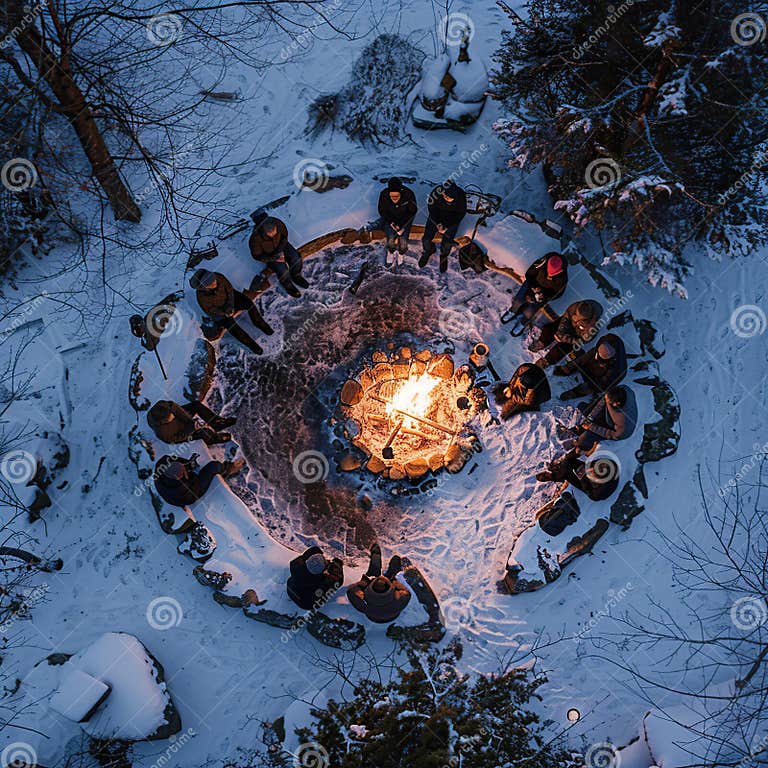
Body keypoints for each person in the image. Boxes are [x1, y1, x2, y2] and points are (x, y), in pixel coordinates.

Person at [191, 269, 273, 356]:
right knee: (233, 328)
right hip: (219, 312)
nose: (215, 282)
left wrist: (230, 306)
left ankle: (261, 325)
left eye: (214, 280)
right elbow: (211, 310)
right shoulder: (202, 296)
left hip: (230, 299)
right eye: (212, 283)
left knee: (248, 303)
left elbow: (229, 289)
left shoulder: (218, 277)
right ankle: (253, 346)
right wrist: (225, 312)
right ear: (206, 287)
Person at [504, 252, 568, 335]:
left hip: (542, 295)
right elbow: (529, 273)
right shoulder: (543, 261)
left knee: (530, 311)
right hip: (532, 284)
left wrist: (542, 296)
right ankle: (512, 311)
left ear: (559, 271)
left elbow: (557, 294)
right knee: (518, 300)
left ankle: (523, 322)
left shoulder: (562, 279)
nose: (549, 275)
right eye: (548, 272)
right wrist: (533, 287)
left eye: (552, 275)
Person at [346, 543, 411, 623]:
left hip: (374, 614)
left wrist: (364, 582)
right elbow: (407, 593)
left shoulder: (364, 605)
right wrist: (394, 581)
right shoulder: (399, 600)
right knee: (390, 571)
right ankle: (391, 572)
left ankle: (380, 563)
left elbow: (351, 591)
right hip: (391, 612)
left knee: (375, 573)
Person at [554, 333, 627, 401]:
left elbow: (598, 385)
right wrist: (566, 368)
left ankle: (588, 390)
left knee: (595, 386)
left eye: (601, 362)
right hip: (600, 359)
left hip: (603, 380)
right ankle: (571, 371)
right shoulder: (603, 344)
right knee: (582, 358)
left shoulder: (616, 370)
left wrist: (575, 392)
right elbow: (583, 358)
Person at [248, 216, 308, 298]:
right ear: (264, 231)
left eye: (275, 233)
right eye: (270, 234)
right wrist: (274, 258)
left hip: (281, 245)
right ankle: (287, 285)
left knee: (295, 257)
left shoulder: (278, 223)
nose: (273, 235)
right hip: (270, 254)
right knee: (282, 269)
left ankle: (296, 275)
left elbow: (284, 236)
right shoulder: (255, 239)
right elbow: (257, 256)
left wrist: (280, 250)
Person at [154, 454, 245, 508]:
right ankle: (230, 469)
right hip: (190, 495)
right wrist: (191, 475)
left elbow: (169, 459)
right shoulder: (183, 490)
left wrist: (188, 463)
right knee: (213, 466)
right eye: (184, 471)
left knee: (175, 461)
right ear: (181, 477)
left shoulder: (161, 466)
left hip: (169, 489)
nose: (184, 468)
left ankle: (187, 465)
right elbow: (196, 484)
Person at [531, 300, 603, 367]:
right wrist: (560, 331)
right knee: (553, 327)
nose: (575, 317)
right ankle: (542, 342)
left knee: (563, 348)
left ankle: (547, 360)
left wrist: (567, 339)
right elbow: (565, 318)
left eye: (578, 318)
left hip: (576, 335)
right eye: (575, 314)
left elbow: (582, 341)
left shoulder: (592, 327)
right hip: (568, 325)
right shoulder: (576, 306)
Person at [567, 385, 636, 453]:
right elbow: (602, 402)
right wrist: (590, 417)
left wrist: (591, 426)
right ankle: (582, 428)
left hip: (612, 429)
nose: (606, 400)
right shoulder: (621, 389)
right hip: (608, 415)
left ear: (616, 404)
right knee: (581, 406)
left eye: (609, 401)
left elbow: (611, 434)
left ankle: (584, 446)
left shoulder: (623, 426)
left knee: (582, 441)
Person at [419, 180, 467, 272]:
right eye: (444, 195)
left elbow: (460, 214)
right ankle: (428, 251)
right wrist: (438, 223)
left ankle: (444, 256)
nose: (445, 197)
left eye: (448, 197)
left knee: (447, 242)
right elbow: (431, 207)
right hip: (436, 216)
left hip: (451, 218)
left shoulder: (461, 196)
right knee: (426, 239)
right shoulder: (437, 192)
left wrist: (447, 227)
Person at [535, 452, 619, 501]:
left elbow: (586, 483)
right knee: (571, 464)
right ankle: (560, 472)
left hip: (597, 491)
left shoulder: (596, 492)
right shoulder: (609, 468)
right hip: (602, 483)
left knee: (570, 465)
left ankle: (559, 473)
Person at [147, 400, 236, 446]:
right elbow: (178, 438)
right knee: (202, 432)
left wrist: (190, 421)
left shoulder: (164, 405)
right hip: (180, 432)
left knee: (196, 405)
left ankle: (215, 422)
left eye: (171, 414)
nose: (172, 416)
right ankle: (214, 438)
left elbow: (177, 410)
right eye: (170, 418)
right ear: (163, 421)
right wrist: (192, 427)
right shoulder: (162, 433)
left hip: (182, 419)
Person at [286, 546, 345, 610]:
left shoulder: (296, 565)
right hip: (305, 604)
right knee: (323, 592)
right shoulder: (321, 583)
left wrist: (317, 553)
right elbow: (338, 580)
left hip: (290, 589)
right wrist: (337, 564)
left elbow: (306, 555)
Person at [377, 177, 417, 264]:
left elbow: (412, 211)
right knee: (390, 237)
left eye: (397, 196)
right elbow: (382, 210)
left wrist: (403, 225)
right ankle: (391, 251)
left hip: (404, 220)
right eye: (392, 196)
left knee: (403, 239)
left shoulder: (409, 194)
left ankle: (401, 253)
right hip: (390, 219)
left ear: (401, 192)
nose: (394, 198)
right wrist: (391, 222)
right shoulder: (384, 194)